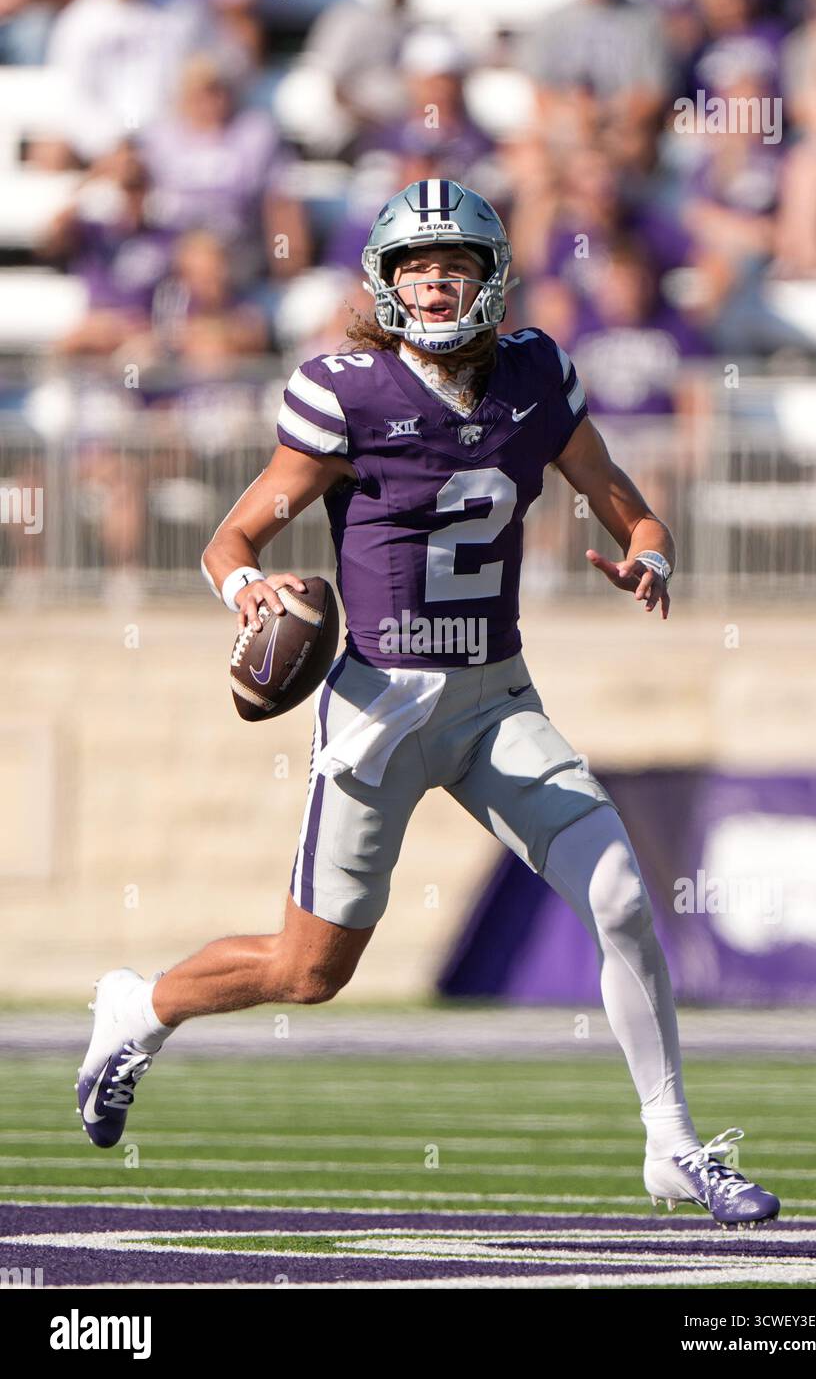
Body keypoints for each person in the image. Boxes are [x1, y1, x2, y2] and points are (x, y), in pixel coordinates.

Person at [76, 179, 780, 1229]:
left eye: (454, 262)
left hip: (498, 700)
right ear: (383, 282)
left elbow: (613, 491)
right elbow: (230, 539)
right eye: (414, 264)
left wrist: (650, 550)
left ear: (491, 278)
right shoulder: (345, 393)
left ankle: (670, 1142)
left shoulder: (536, 373)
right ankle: (140, 1006)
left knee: (622, 896)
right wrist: (249, 590)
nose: (435, 280)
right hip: (379, 709)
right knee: (307, 971)